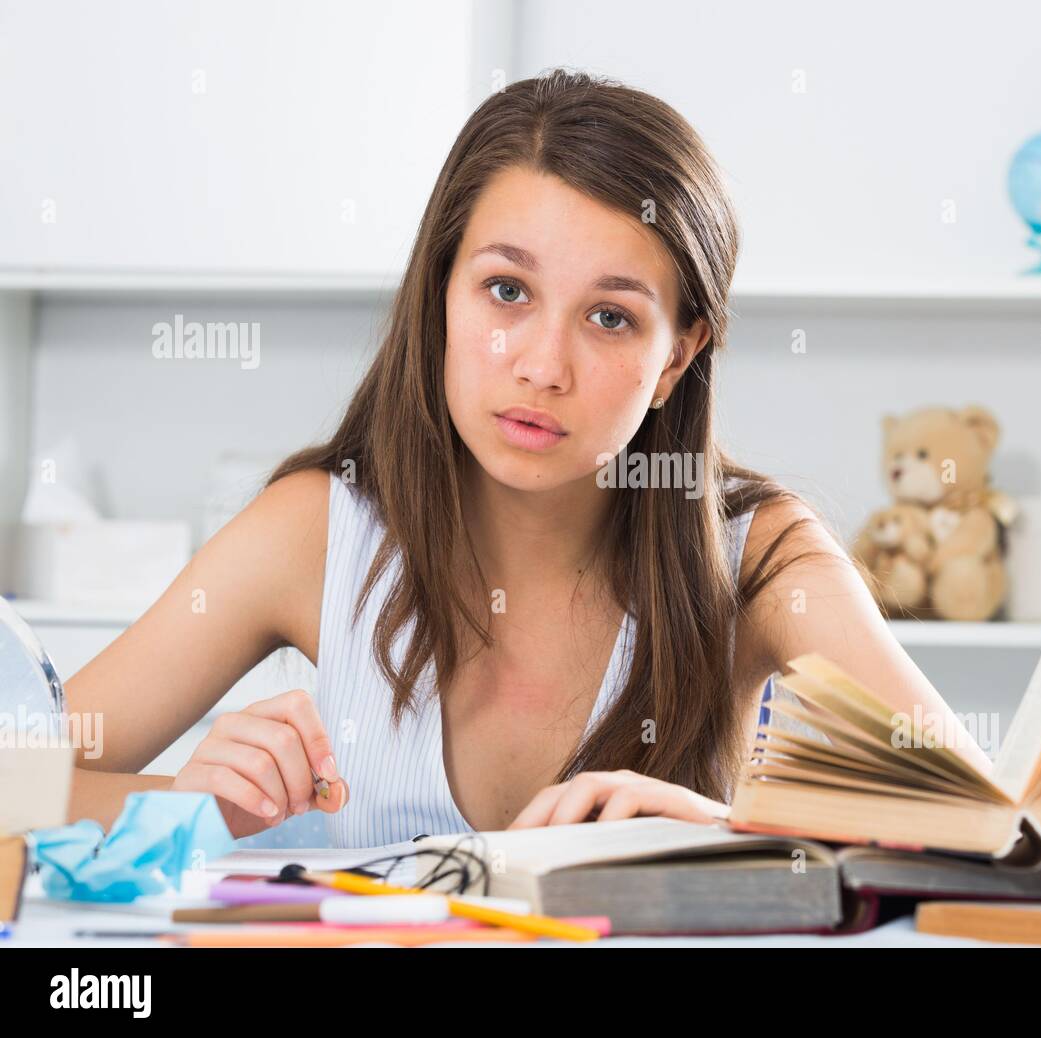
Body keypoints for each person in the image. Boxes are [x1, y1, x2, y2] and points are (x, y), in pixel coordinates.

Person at [66, 68, 992, 846]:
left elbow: (995, 824)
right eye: (506, 290)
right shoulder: (316, 529)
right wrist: (180, 810)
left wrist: (725, 836)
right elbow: (17, 783)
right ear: (440, 296)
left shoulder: (757, 556)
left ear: (677, 357)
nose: (544, 367)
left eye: (610, 317)